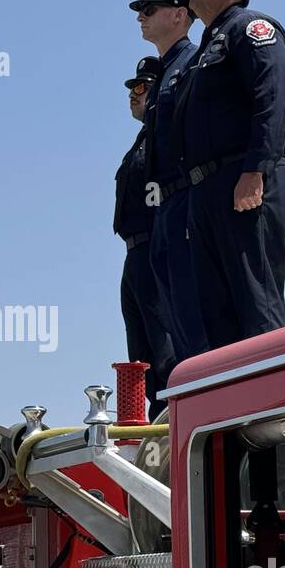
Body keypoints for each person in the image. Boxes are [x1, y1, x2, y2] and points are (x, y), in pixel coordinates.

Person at [173, 0, 285, 349]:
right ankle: (233, 414)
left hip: (244, 181)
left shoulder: (251, 28)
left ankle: (271, 410)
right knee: (217, 320)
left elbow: (272, 97)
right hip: (209, 190)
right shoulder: (205, 49)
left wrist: (255, 170)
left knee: (255, 306)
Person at [132, 0, 207, 361]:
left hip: (188, 203)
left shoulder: (194, 63)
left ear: (179, 14)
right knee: (175, 327)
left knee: (195, 321)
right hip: (165, 209)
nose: (140, 17)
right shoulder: (164, 72)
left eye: (149, 9)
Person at [115, 56, 176, 420]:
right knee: (140, 353)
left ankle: (172, 422)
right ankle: (149, 426)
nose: (133, 96)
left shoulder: (164, 137)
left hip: (158, 248)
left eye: (141, 88)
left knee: (164, 343)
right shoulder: (142, 140)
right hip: (134, 253)